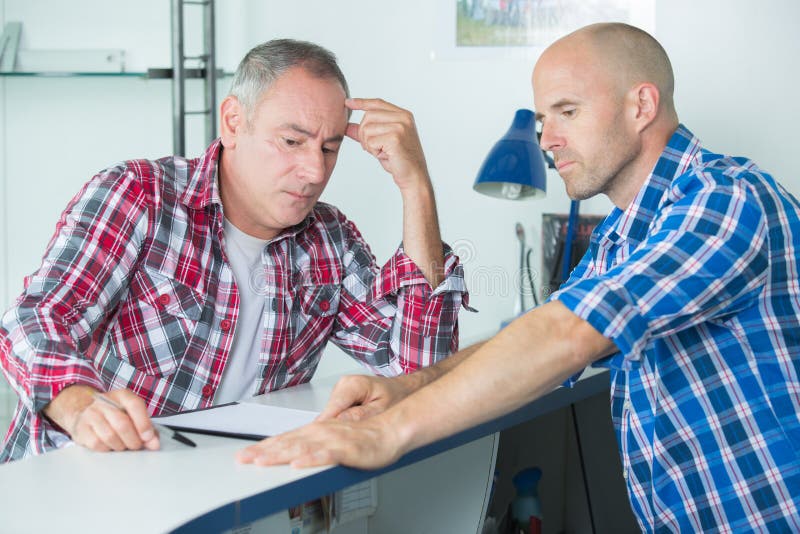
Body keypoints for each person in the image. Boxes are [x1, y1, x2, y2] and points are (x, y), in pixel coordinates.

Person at [240, 23, 800, 532]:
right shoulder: (624, 236)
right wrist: (404, 389)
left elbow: (567, 334)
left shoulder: (728, 198)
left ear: (642, 105)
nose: (547, 138)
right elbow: (541, 324)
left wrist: (388, 432)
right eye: (541, 119)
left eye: (567, 111)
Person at [0, 39, 470, 463]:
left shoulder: (331, 239)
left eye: (329, 149)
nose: (313, 171)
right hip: (72, 477)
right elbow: (34, 319)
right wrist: (78, 403)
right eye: (291, 141)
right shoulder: (140, 196)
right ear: (233, 122)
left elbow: (417, 371)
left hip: (216, 488)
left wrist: (416, 187)